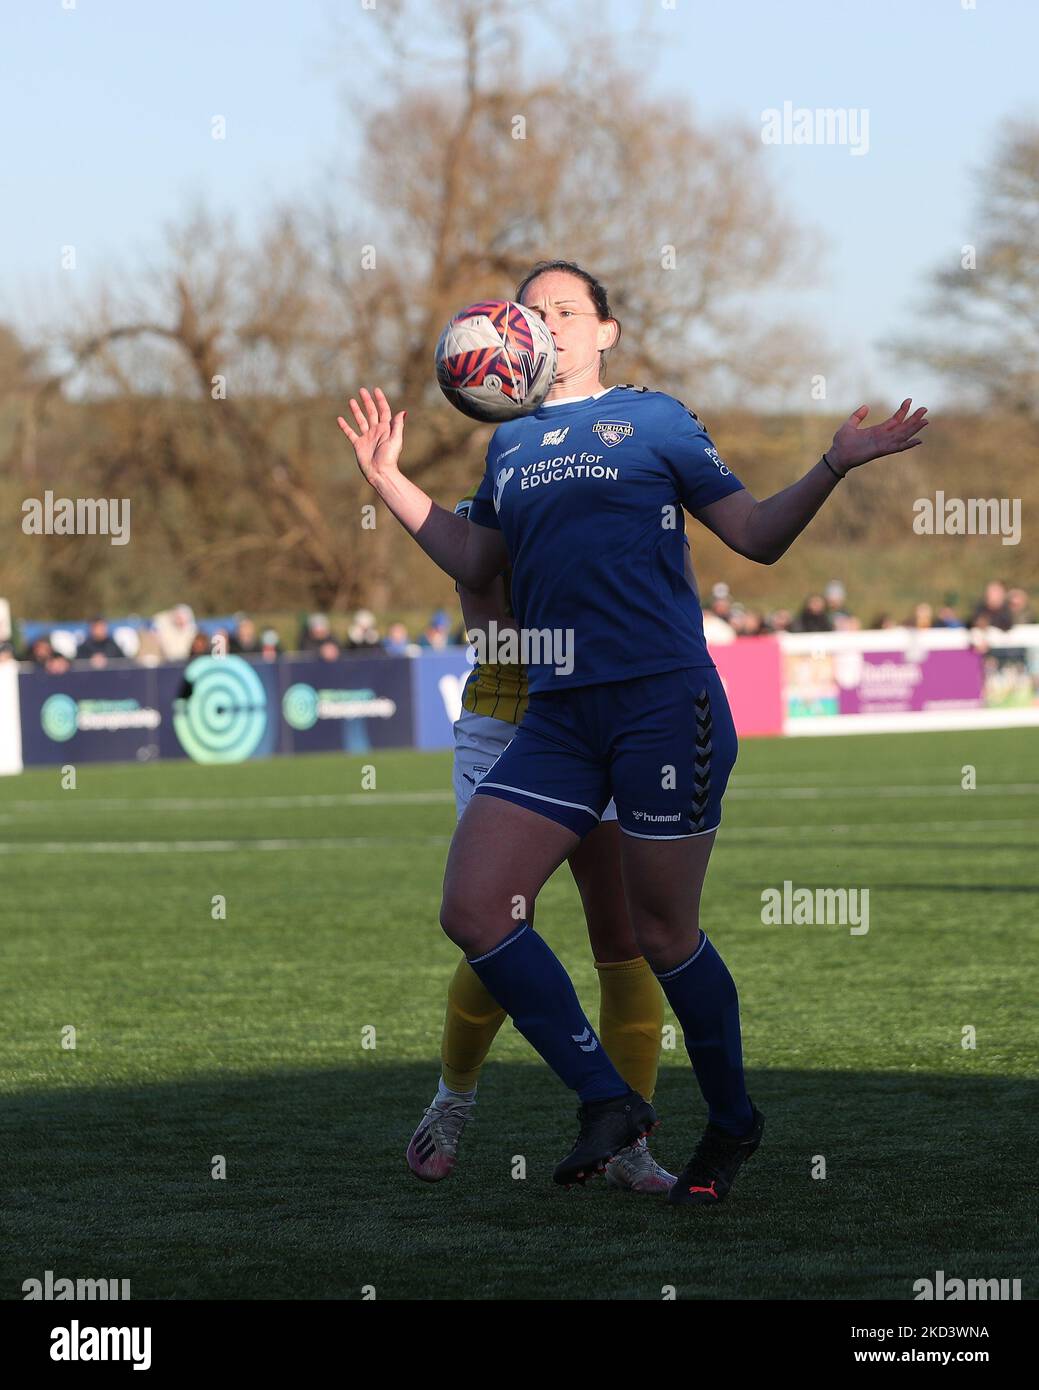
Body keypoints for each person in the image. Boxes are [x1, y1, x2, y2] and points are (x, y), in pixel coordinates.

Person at [337, 258, 928, 1206]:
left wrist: (831, 464)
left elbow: (756, 535)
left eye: (567, 311)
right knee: (476, 910)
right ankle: (607, 1102)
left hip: (663, 705)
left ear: (605, 332)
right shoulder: (510, 445)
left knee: (658, 933)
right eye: (531, 312)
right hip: (558, 716)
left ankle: (732, 1119)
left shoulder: (655, 418)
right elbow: (478, 557)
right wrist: (390, 483)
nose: (547, 325)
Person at [405, 484, 673, 1195]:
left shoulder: (616, 491)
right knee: (494, 923)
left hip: (601, 722)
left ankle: (629, 1148)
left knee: (623, 939)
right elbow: (493, 632)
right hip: (506, 726)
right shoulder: (483, 510)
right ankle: (453, 1098)